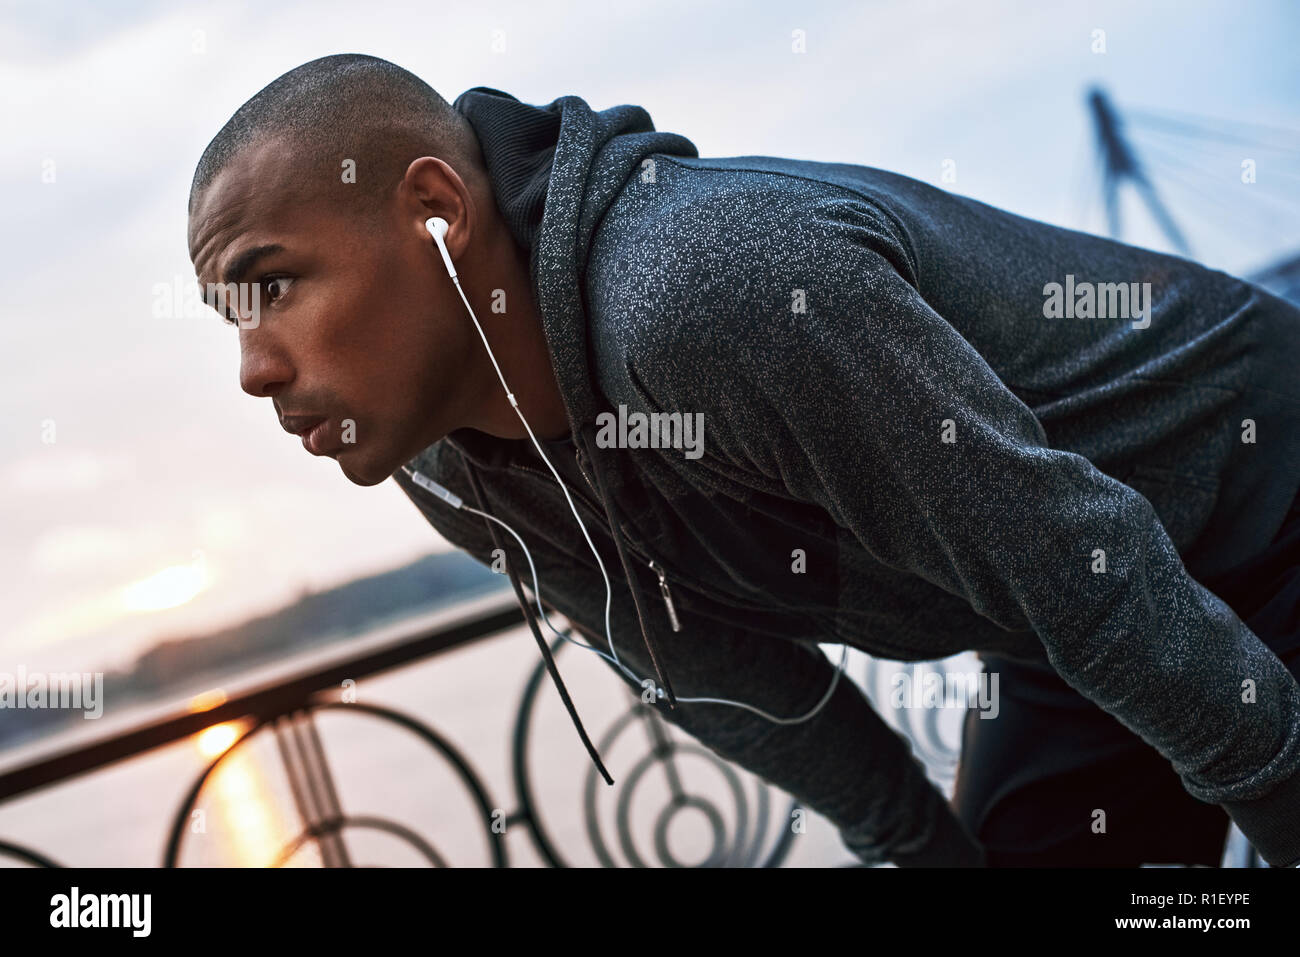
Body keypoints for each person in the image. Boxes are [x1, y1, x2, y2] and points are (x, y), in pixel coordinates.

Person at [186, 53, 1300, 867]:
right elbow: (719, 673)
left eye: (269, 285)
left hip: (1261, 501)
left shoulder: (708, 292)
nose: (253, 369)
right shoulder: (453, 470)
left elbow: (1080, 562)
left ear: (434, 210)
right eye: (227, 318)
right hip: (1067, 621)